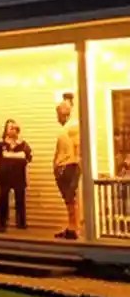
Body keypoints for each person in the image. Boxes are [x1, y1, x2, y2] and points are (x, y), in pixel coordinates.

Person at [53, 101, 82, 240]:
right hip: (63, 166)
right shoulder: (65, 128)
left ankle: (74, 228)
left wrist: (76, 164)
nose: (57, 116)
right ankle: (71, 227)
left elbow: (78, 147)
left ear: (63, 112)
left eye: (57, 113)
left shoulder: (73, 126)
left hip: (70, 166)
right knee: (68, 199)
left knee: (71, 198)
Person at [0, 119, 32, 231]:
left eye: (14, 128)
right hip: (5, 176)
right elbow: (2, 155)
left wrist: (10, 155)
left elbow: (26, 156)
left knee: (20, 199)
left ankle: (21, 223)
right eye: (10, 127)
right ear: (6, 130)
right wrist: (16, 155)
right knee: (3, 199)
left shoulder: (23, 144)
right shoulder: (1, 143)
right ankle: (2, 223)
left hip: (19, 176)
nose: (12, 130)